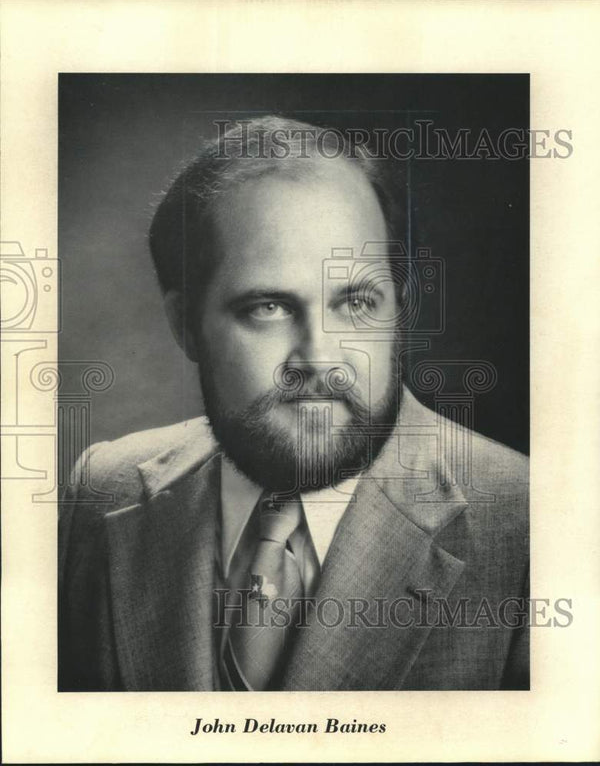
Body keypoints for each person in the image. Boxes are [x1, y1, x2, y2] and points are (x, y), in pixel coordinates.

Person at [58, 116, 529, 692]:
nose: (321, 358)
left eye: (356, 302)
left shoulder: (533, 525)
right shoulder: (98, 491)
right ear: (185, 326)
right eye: (269, 307)